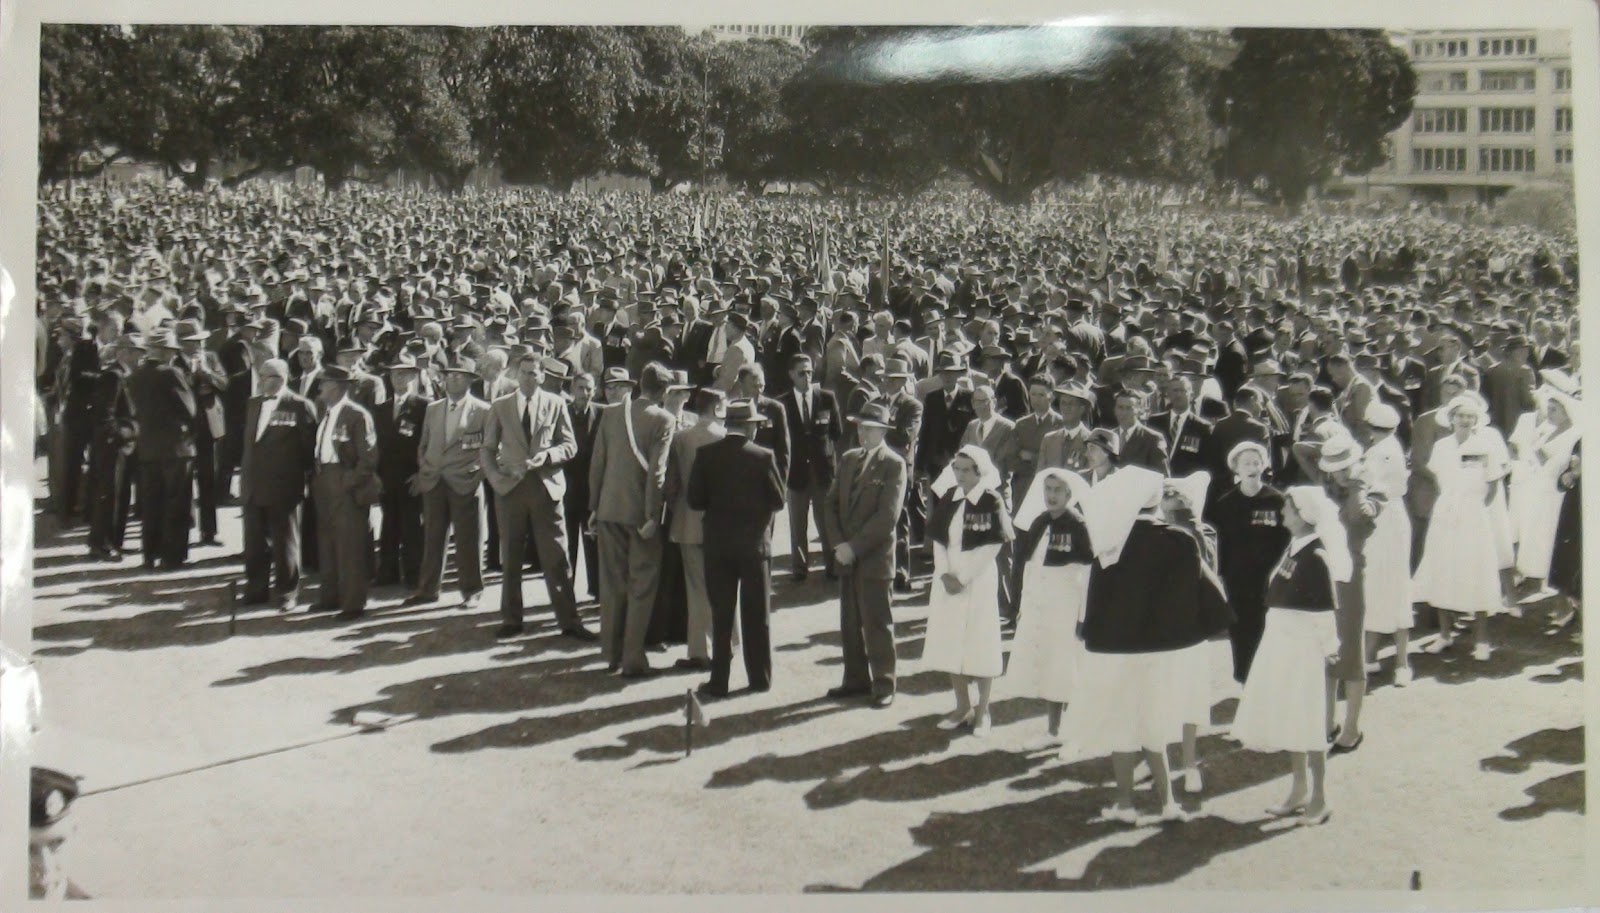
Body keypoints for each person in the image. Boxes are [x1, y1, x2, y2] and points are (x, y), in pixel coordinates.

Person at [1064, 466, 1229, 824]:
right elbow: (1206, 595)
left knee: (1123, 728)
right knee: (1154, 724)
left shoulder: (1109, 541)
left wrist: (1089, 635)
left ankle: (1126, 804)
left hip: (1118, 650)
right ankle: (1168, 803)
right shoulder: (1181, 539)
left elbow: (1094, 601)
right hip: (1165, 651)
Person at [1229, 485, 1349, 829]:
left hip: (1303, 650)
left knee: (1310, 724)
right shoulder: (1294, 548)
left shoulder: (1316, 556)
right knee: (1293, 720)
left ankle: (1320, 798)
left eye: (1288, 510)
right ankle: (1298, 790)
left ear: (1305, 515)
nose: (1282, 515)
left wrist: (1329, 650)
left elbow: (1325, 614)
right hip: (1281, 644)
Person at [479, 354, 595, 641]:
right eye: (525, 373)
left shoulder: (555, 404)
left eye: (535, 374)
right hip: (511, 489)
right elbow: (487, 448)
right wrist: (495, 478)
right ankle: (512, 619)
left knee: (556, 557)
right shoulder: (500, 406)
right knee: (511, 557)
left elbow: (569, 445)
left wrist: (548, 456)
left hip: (546, 488)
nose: (530, 378)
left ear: (543, 377)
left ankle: (569, 620)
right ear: (517, 375)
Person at [688, 399, 787, 698]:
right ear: (749, 426)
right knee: (757, 614)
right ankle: (760, 677)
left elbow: (695, 500)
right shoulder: (763, 456)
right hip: (754, 546)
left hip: (718, 545)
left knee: (721, 614)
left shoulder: (706, 455)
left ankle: (719, 680)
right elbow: (779, 500)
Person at [1413, 394, 1514, 660]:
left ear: (1476, 419)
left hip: (1473, 517)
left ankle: (1481, 641)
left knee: (1476, 572)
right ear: (1451, 418)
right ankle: (1445, 635)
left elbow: (1492, 485)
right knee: (1442, 570)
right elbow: (1439, 480)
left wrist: (1475, 508)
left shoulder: (1483, 446)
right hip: (1445, 515)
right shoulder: (1442, 446)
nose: (1465, 420)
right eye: (1460, 415)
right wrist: (1449, 504)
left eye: (1470, 416)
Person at [590, 364, 675, 677]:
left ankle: (611, 654)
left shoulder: (612, 414)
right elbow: (657, 471)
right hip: (640, 514)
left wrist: (594, 506)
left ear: (640, 385)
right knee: (641, 584)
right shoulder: (664, 419)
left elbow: (597, 463)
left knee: (612, 584)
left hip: (609, 508)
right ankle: (633, 659)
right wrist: (654, 514)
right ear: (664, 391)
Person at [923, 444, 1013, 737]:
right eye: (956, 469)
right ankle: (962, 705)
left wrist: (963, 576)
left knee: (980, 643)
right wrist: (945, 573)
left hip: (978, 579)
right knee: (951, 642)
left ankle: (983, 710)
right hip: (947, 578)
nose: (959, 475)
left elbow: (993, 544)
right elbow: (938, 538)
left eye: (965, 470)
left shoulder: (990, 500)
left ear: (979, 471)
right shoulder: (949, 496)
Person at [822, 402, 908, 709]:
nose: (862, 432)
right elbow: (830, 504)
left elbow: (887, 517)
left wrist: (853, 547)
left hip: (874, 557)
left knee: (877, 622)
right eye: (859, 426)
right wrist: (837, 545)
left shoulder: (894, 464)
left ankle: (884, 683)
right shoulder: (848, 459)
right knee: (850, 621)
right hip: (846, 555)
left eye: (868, 427)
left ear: (883, 430)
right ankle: (855, 680)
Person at [1005, 467, 1093, 748]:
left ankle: (1072, 731)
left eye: (1058, 491)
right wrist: (1021, 605)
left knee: (1066, 668)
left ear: (1070, 494)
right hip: (1039, 602)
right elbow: (1027, 565)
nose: (1051, 496)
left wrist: (1082, 616)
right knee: (1049, 668)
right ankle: (1054, 730)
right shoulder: (1040, 522)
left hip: (1065, 605)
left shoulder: (1078, 525)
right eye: (1048, 490)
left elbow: (1088, 572)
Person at [405, 363, 490, 613]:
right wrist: (425, 470)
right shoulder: (432, 408)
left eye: (458, 377)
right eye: (448, 376)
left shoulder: (483, 410)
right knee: (432, 537)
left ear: (469, 381)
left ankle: (472, 591)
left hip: (465, 482)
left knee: (468, 539)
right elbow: (424, 444)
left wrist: (476, 475)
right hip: (434, 481)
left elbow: (491, 449)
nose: (452, 381)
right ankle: (428, 589)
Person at [1206, 440, 1290, 682]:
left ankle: (1269, 679)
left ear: (1264, 465)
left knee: (1269, 629)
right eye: (1246, 463)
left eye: (1256, 462)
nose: (1252, 467)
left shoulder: (1276, 500)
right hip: (1238, 580)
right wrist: (1221, 575)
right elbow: (1222, 543)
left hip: (1269, 577)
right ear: (1236, 468)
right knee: (1241, 629)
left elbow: (1285, 540)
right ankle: (1244, 677)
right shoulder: (1226, 503)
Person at [238, 358, 317, 611]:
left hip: (284, 486)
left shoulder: (300, 406)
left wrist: (298, 478)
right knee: (254, 542)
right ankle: (256, 588)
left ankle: (287, 592)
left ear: (282, 379)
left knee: (285, 542)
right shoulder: (253, 404)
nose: (261, 381)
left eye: (267, 377)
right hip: (253, 483)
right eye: (260, 376)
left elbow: (309, 449)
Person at [309, 366, 378, 620]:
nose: (320, 388)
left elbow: (368, 458)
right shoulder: (327, 414)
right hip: (324, 479)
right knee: (327, 541)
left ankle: (353, 603)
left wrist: (347, 482)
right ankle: (330, 597)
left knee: (350, 544)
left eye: (324, 384)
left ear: (336, 386)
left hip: (345, 482)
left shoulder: (356, 415)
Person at [125, 330, 197, 571]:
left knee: (151, 502)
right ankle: (172, 556)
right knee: (175, 502)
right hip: (176, 447)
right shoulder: (172, 374)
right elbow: (189, 409)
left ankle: (149, 554)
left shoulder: (135, 376)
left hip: (148, 447)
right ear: (166, 352)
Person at [1355, 402, 1415, 686]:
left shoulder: (1378, 453)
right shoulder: (1391, 448)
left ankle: (1399, 661)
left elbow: (1371, 488)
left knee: (1387, 585)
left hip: (1384, 518)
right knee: (1383, 585)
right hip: (1388, 519)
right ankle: (1375, 656)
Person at [1507, 382, 1580, 603]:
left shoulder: (1573, 433)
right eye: (1548, 409)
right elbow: (1531, 453)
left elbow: (1559, 462)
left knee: (1546, 534)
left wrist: (1539, 460)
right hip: (1535, 484)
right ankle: (1533, 577)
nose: (1549, 413)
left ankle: (1545, 580)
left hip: (1552, 490)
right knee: (1532, 532)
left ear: (1566, 412)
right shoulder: (1547, 430)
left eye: (1554, 410)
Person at [781, 355, 842, 581]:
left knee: (826, 521)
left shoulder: (826, 398)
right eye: (801, 373)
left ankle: (832, 566)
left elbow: (836, 432)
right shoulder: (783, 403)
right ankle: (799, 568)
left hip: (822, 471)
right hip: (796, 472)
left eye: (809, 372)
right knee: (798, 524)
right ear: (791, 375)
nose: (806, 377)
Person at [372, 356, 428, 590]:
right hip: (386, 477)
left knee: (412, 527)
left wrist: (422, 474)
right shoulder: (381, 409)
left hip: (411, 476)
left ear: (414, 377)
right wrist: (374, 474)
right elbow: (374, 444)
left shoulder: (424, 406)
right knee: (389, 525)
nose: (399, 379)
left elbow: (429, 443)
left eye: (405, 374)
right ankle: (388, 572)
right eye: (395, 374)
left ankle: (414, 574)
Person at [85, 334, 142, 562]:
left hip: (123, 444)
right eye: (135, 352)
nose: (138, 357)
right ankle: (100, 543)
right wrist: (121, 435)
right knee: (110, 494)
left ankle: (114, 541)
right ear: (123, 352)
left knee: (121, 495)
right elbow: (105, 414)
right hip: (113, 445)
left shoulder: (125, 374)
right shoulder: (113, 376)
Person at [565, 371, 603, 601]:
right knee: (566, 544)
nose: (585, 393)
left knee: (593, 541)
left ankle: (597, 590)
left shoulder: (602, 413)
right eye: (580, 388)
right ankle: (565, 593)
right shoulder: (562, 412)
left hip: (591, 488)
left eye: (589, 388)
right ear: (572, 389)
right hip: (567, 488)